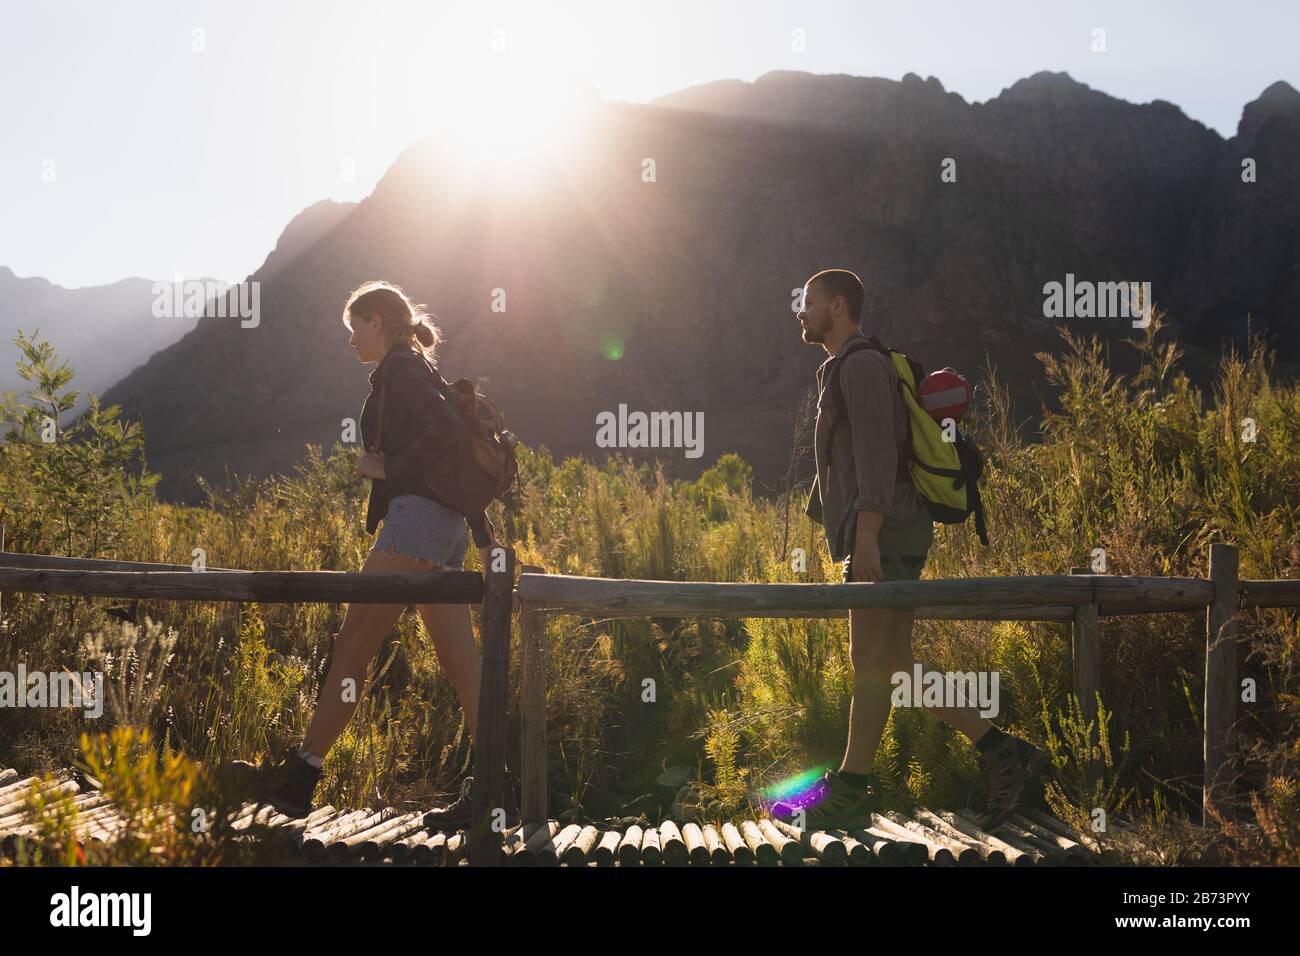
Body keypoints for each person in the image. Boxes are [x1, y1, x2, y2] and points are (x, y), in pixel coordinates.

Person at [772, 268, 1045, 830]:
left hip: (889, 530)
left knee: (870, 662)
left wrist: (866, 535)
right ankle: (1003, 752)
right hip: (886, 528)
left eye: (810, 301)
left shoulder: (864, 366)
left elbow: (876, 455)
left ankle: (849, 792)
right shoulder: (845, 366)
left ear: (839, 305)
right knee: (893, 664)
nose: (800, 310)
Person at [234, 280, 500, 824]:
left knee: (354, 645)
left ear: (377, 320)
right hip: (442, 528)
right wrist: (481, 536)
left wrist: (391, 471)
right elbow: (452, 448)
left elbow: (447, 430)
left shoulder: (403, 369)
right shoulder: (419, 367)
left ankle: (300, 776)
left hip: (416, 524)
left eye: (355, 326)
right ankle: (492, 793)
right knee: (461, 664)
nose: (351, 339)